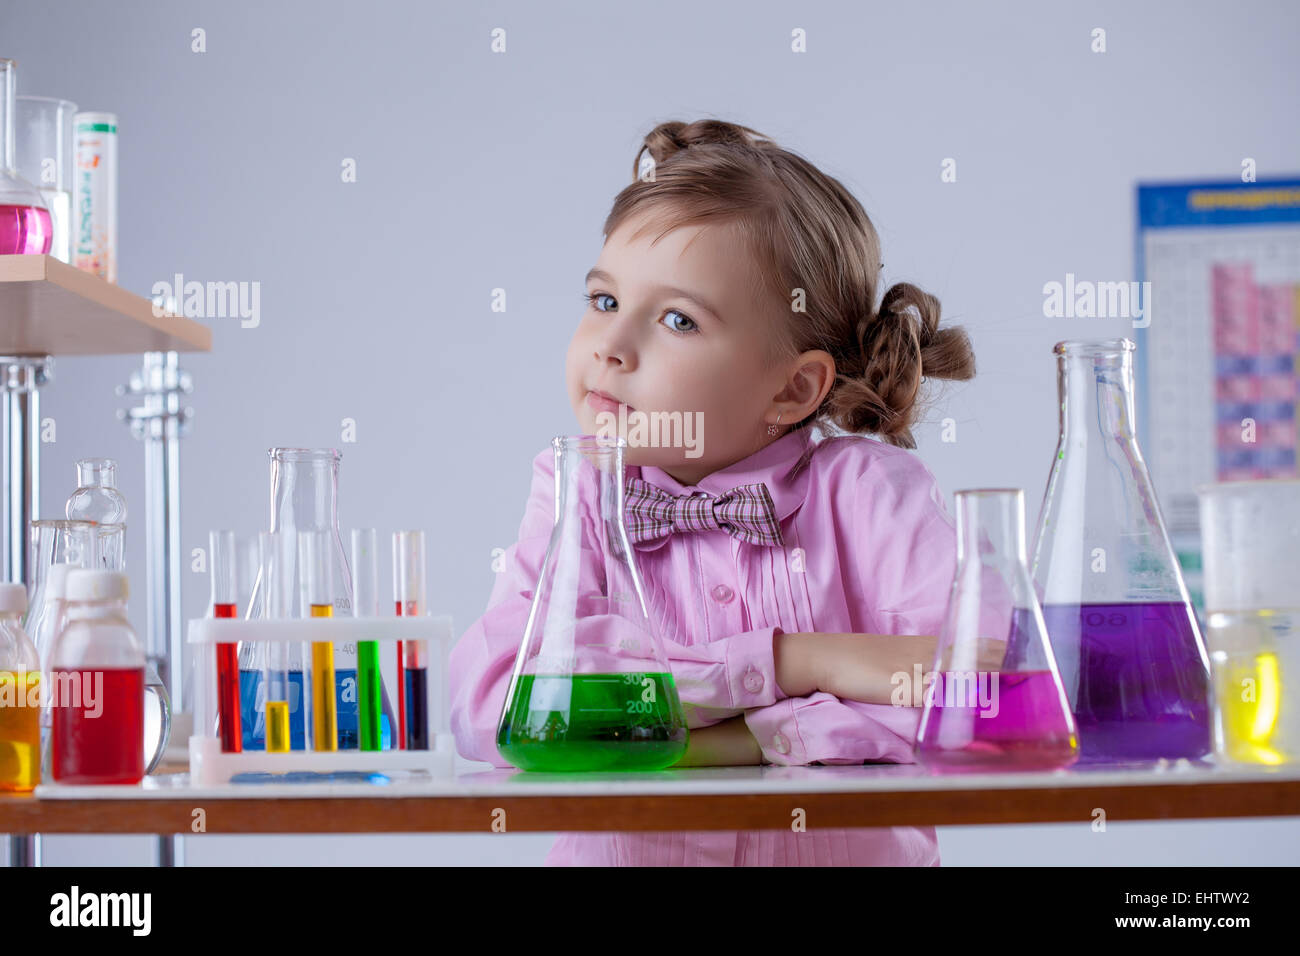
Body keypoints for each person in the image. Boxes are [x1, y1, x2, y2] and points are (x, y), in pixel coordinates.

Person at [450, 118, 977, 865]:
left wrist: (737, 740)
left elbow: (981, 697)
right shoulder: (579, 492)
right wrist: (799, 663)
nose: (611, 345)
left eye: (676, 319)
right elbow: (497, 707)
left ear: (793, 389)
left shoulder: (870, 495)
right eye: (603, 301)